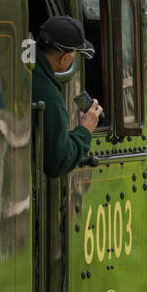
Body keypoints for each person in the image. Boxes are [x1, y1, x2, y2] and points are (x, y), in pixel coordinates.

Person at [32, 15, 103, 178]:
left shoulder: (27, 68)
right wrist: (85, 129)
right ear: (65, 58)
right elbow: (58, 162)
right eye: (75, 55)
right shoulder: (49, 95)